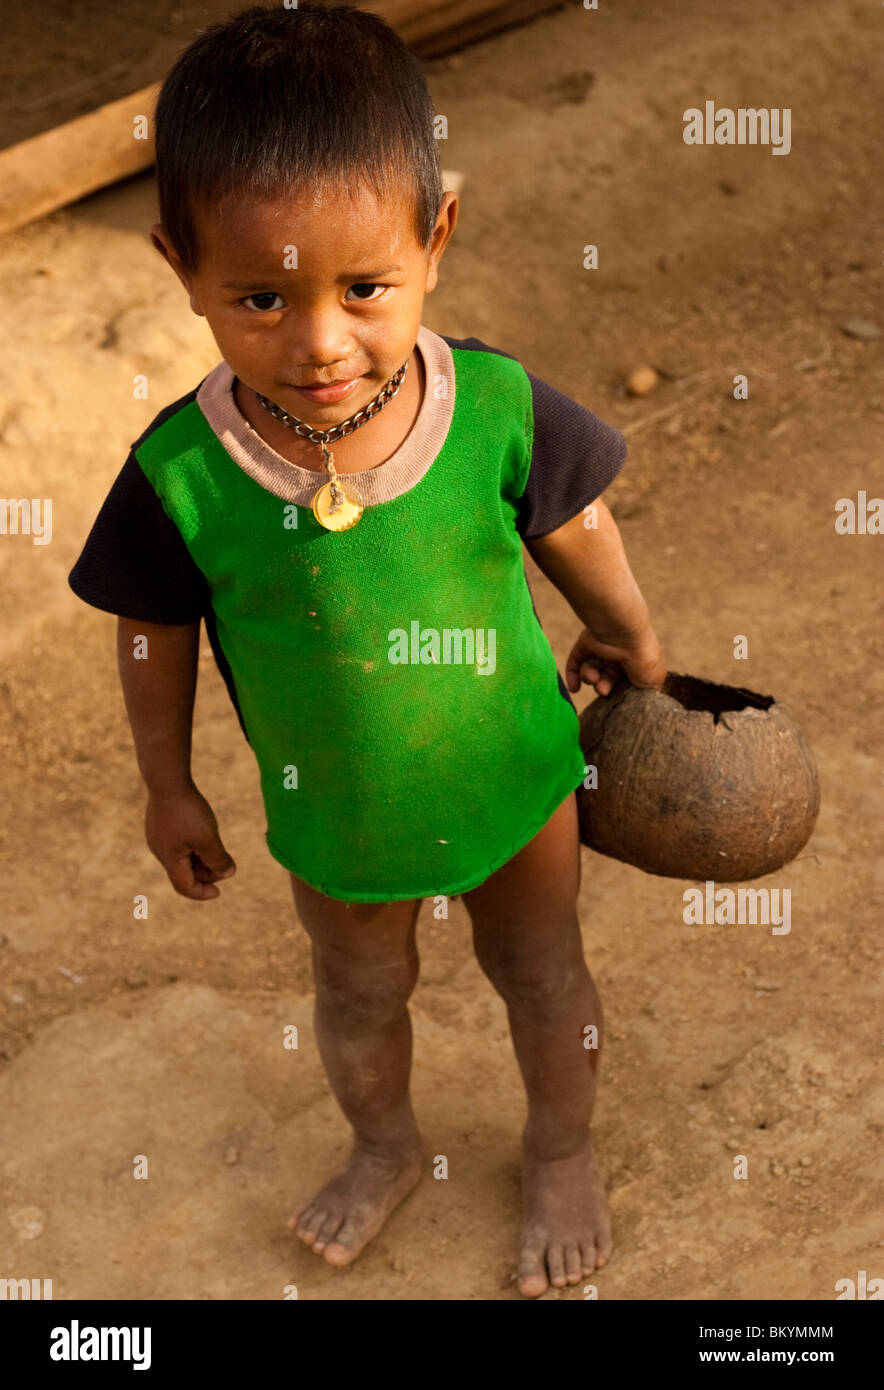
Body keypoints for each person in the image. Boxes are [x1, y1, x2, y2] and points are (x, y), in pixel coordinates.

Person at [68, 3, 666, 1298]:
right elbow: (151, 630)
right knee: (354, 993)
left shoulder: (492, 405)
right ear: (180, 266)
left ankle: (561, 1150)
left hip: (514, 777)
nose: (321, 343)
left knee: (543, 970)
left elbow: (577, 522)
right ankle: (384, 1144)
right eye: (261, 297)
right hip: (332, 810)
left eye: (365, 289)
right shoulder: (184, 474)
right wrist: (167, 783)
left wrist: (628, 632)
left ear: (435, 237)